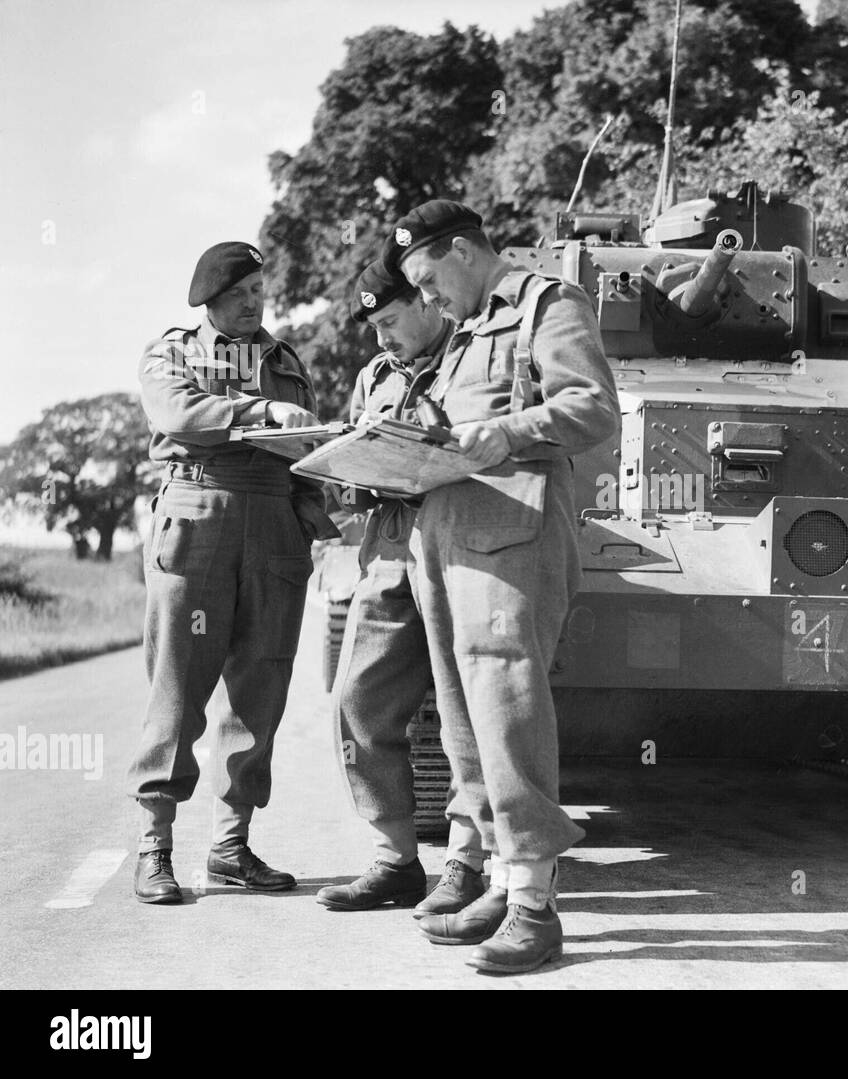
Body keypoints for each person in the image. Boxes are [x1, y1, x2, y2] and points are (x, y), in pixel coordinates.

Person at [385, 200, 620, 973]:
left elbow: (591, 408)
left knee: (508, 711)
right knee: (463, 724)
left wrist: (511, 432)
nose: (425, 300)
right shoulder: (464, 330)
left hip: (512, 537)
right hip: (445, 536)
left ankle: (535, 907)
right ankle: (499, 876)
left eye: (426, 280)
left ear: (461, 250)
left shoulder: (547, 305)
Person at [129, 241, 339, 904]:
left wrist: (318, 523)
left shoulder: (286, 360)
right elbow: (178, 414)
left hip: (277, 524)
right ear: (209, 297)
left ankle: (229, 847)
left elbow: (307, 451)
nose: (255, 303)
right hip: (198, 513)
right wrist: (261, 413)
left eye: (259, 291)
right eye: (242, 293)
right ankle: (154, 847)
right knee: (177, 689)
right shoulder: (174, 352)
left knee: (259, 693)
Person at [314, 259, 473, 911]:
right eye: (373, 326)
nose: (381, 339)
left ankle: (466, 858)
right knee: (358, 700)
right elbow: (358, 465)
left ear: (426, 304)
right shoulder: (376, 377)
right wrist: (346, 474)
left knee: (465, 711)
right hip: (386, 547)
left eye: (389, 321)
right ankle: (396, 858)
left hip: (456, 545)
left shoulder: (469, 359)